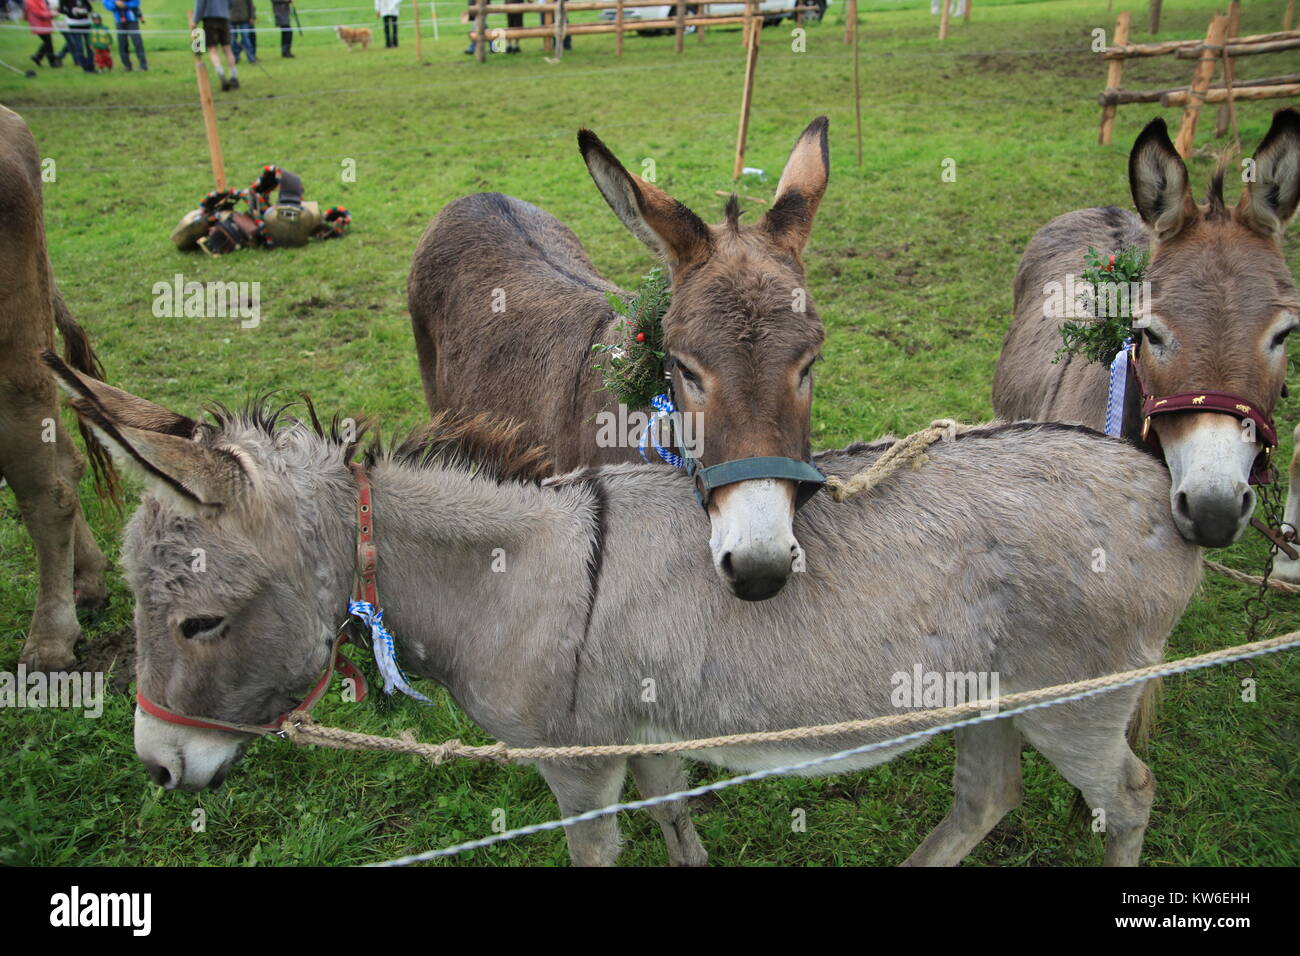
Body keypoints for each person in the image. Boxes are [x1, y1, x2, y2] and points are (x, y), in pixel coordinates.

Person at [194, 0, 237, 89]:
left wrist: (195, 20)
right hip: (224, 17)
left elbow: (200, 4)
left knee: (213, 50)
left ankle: (221, 76)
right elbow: (232, 2)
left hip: (209, 19)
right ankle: (234, 77)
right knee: (227, 49)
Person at [103, 0, 146, 70]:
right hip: (119, 21)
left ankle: (143, 65)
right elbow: (107, 4)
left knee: (137, 42)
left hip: (132, 20)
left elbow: (136, 2)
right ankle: (127, 65)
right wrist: (115, 4)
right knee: (122, 43)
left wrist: (125, 5)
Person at [57, 0, 94, 71]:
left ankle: (91, 65)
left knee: (90, 45)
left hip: (86, 23)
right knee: (79, 46)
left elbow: (89, 8)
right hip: (73, 24)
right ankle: (84, 66)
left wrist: (84, 11)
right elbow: (61, 10)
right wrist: (71, 12)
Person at [25, 0, 58, 67]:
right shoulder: (30, 1)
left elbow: (45, 9)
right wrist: (50, 14)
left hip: (45, 24)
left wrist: (51, 12)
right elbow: (38, 12)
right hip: (38, 25)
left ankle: (38, 57)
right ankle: (52, 62)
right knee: (48, 43)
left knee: (47, 42)